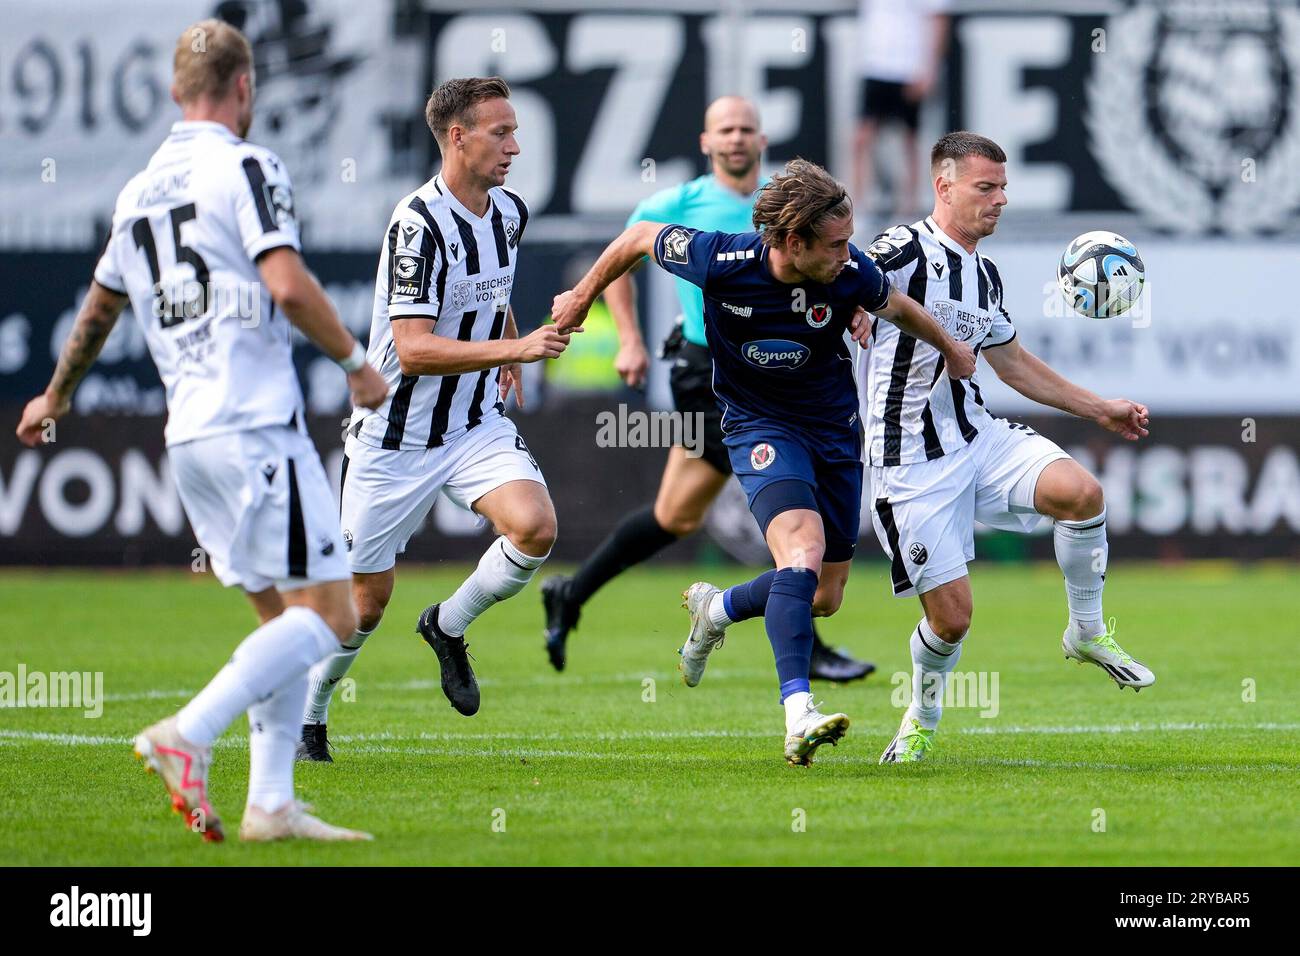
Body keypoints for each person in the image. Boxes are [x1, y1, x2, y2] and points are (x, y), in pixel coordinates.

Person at [15, 19, 387, 841]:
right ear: (245, 87)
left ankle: (272, 804)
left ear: (177, 93)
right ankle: (187, 733)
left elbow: (101, 304)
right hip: (254, 424)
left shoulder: (138, 190)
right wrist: (358, 363)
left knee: (283, 620)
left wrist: (54, 395)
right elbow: (287, 286)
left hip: (190, 438)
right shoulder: (248, 165)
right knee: (331, 617)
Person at [551, 160, 974, 766]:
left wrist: (950, 347)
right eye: (833, 243)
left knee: (823, 596)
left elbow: (897, 305)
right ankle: (797, 713)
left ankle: (717, 609)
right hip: (757, 427)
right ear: (792, 240)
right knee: (798, 550)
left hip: (833, 434)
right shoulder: (722, 260)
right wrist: (581, 296)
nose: (846, 252)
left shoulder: (850, 270)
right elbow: (640, 237)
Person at [540, 96, 875, 683]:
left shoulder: (792, 202)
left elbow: (830, 277)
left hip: (773, 373)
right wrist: (628, 339)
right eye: (725, 130)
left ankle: (572, 590)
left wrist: (849, 311)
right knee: (794, 509)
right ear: (706, 142)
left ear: (762, 139)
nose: (737, 139)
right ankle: (806, 642)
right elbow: (624, 256)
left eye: (746, 129)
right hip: (709, 373)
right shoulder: (678, 202)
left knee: (675, 515)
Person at [297, 77, 573, 761]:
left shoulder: (509, 211)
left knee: (536, 527)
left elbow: (490, 285)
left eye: (514, 130)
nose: (515, 145)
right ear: (458, 136)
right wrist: (518, 347)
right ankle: (310, 718)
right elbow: (414, 350)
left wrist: (503, 336)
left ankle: (448, 626)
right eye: (500, 132)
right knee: (363, 605)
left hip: (473, 422)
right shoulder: (417, 224)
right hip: (395, 436)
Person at [858, 131, 1154, 765]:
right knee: (953, 620)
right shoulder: (904, 248)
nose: (999, 201)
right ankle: (922, 717)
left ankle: (1087, 631)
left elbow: (1013, 364)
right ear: (944, 186)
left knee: (1081, 493)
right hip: (908, 460)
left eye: (1003, 189)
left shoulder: (984, 274)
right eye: (984, 188)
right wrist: (854, 306)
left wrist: (1101, 407)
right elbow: (854, 276)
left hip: (976, 435)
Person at [852, 0, 951, 221]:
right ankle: (859, 206)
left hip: (908, 66)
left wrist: (930, 68)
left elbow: (938, 19)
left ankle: (908, 208)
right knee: (861, 138)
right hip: (874, 65)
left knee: (909, 139)